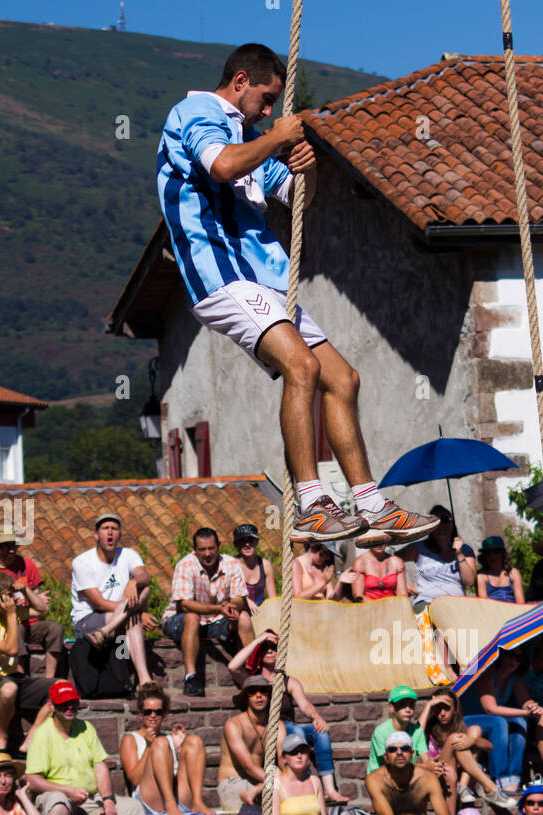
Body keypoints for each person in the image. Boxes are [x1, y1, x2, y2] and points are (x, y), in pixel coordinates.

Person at [157, 44, 437, 548]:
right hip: (221, 273)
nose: (269, 111)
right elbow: (220, 166)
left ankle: (371, 506)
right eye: (266, 99)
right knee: (301, 368)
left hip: (265, 277)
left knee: (343, 378)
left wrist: (302, 165)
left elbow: (290, 193)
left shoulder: (250, 136)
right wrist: (278, 137)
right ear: (240, 81)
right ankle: (311, 503)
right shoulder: (196, 112)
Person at [24, 680, 144, 815]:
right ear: (52, 706)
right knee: (57, 801)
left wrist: (108, 799)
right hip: (56, 795)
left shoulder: (86, 728)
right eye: (63, 703)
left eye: (73, 702)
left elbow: (100, 765)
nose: (69, 707)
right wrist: (67, 791)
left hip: (90, 796)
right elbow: (33, 780)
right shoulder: (42, 735)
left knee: (133, 807)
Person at [229, 631, 347, 803]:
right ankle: (301, 784)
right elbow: (233, 666)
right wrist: (260, 639)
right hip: (270, 730)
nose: (270, 651)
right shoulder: (255, 683)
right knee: (296, 731)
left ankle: (329, 789)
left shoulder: (289, 682)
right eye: (266, 648)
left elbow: (305, 705)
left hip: (290, 727)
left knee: (320, 732)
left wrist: (316, 717)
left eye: (274, 648)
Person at [162, 527, 254, 697]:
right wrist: (220, 608)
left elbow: (239, 599)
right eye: (202, 549)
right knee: (192, 617)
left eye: (211, 548)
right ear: (195, 550)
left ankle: (252, 672)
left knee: (244, 618)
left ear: (219, 546)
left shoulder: (231, 564)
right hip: (179, 620)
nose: (207, 554)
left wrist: (230, 609)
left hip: (216, 621)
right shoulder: (185, 565)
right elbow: (184, 605)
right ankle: (191, 677)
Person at [460, 647, 543, 792]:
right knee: (500, 722)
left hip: (493, 720)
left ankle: (513, 778)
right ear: (500, 655)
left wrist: (532, 707)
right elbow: (491, 709)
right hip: (468, 719)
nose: (514, 661)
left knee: (519, 721)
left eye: (518, 658)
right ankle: (500, 777)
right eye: (511, 655)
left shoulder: (514, 677)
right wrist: (525, 712)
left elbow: (525, 700)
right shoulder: (487, 673)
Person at [70, 512, 155, 689]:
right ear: (96, 535)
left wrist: (133, 582)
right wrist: (136, 611)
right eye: (105, 528)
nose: (110, 532)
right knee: (132, 619)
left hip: (116, 619)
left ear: (119, 535)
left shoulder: (128, 554)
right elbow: (99, 603)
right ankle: (144, 679)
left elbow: (145, 576)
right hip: (89, 619)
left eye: (114, 528)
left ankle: (133, 678)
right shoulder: (82, 562)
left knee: (143, 590)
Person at [120, 682, 213, 815]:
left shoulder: (169, 738)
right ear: (140, 714)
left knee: (194, 741)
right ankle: (170, 804)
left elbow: (178, 772)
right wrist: (149, 747)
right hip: (150, 798)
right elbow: (134, 780)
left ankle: (197, 801)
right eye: (147, 712)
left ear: (164, 714)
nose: (153, 715)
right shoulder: (131, 739)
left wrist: (180, 750)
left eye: (158, 712)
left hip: (177, 794)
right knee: (161, 742)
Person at [419, 690, 514, 814]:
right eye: (437, 708)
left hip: (461, 777)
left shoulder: (461, 728)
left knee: (474, 730)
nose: (442, 713)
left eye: (447, 708)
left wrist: (472, 741)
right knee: (455, 739)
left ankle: (463, 787)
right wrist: (428, 705)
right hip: (441, 776)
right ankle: (490, 788)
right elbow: (416, 735)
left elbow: (490, 746)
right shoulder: (427, 730)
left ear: (455, 710)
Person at [0, 571, 52, 752]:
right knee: (9, 689)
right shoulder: (7, 616)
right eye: (9, 596)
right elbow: (12, 649)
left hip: (12, 677)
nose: (13, 599)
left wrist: (25, 590)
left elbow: (42, 610)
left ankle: (31, 737)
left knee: (60, 688)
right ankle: (3, 736)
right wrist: (11, 615)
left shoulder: (9, 613)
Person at [0, 531, 63, 679]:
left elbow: (40, 604)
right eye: (6, 547)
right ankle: (19, 677)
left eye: (14, 546)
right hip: (8, 622)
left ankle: (49, 680)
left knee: (55, 628)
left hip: (28, 618)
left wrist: (26, 591)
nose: (11, 551)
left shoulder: (27, 564)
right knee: (16, 628)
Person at [400, 506, 476, 608]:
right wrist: (402, 583)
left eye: (445, 520)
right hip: (427, 603)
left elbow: (470, 581)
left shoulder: (465, 550)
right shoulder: (419, 549)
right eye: (436, 521)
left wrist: (459, 553)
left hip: (457, 604)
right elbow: (390, 559)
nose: (441, 526)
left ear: (452, 524)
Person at [217, 675, 271, 814]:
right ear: (246, 697)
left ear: (270, 695)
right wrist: (281, 780)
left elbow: (284, 762)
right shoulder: (234, 724)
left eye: (263, 691)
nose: (258, 696)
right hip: (233, 783)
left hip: (261, 784)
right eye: (252, 692)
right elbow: (249, 767)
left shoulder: (277, 726)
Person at [367, 686, 428, 773]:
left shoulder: (417, 730)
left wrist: (433, 766)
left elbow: (426, 758)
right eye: (402, 705)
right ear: (391, 707)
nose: (408, 710)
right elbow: (391, 764)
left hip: (407, 775)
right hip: (382, 777)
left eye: (411, 705)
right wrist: (425, 766)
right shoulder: (381, 731)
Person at [232, 522, 276, 611]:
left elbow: (273, 599)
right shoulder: (231, 565)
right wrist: (245, 600)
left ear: (256, 542)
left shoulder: (265, 565)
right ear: (236, 544)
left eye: (250, 540)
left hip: (260, 613)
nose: (247, 544)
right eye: (242, 541)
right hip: (238, 614)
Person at [476, 536, 524, 604]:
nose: (492, 555)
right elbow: (484, 605)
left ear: (502, 553)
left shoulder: (513, 573)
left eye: (496, 551)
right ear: (484, 556)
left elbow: (521, 603)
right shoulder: (481, 577)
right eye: (488, 552)